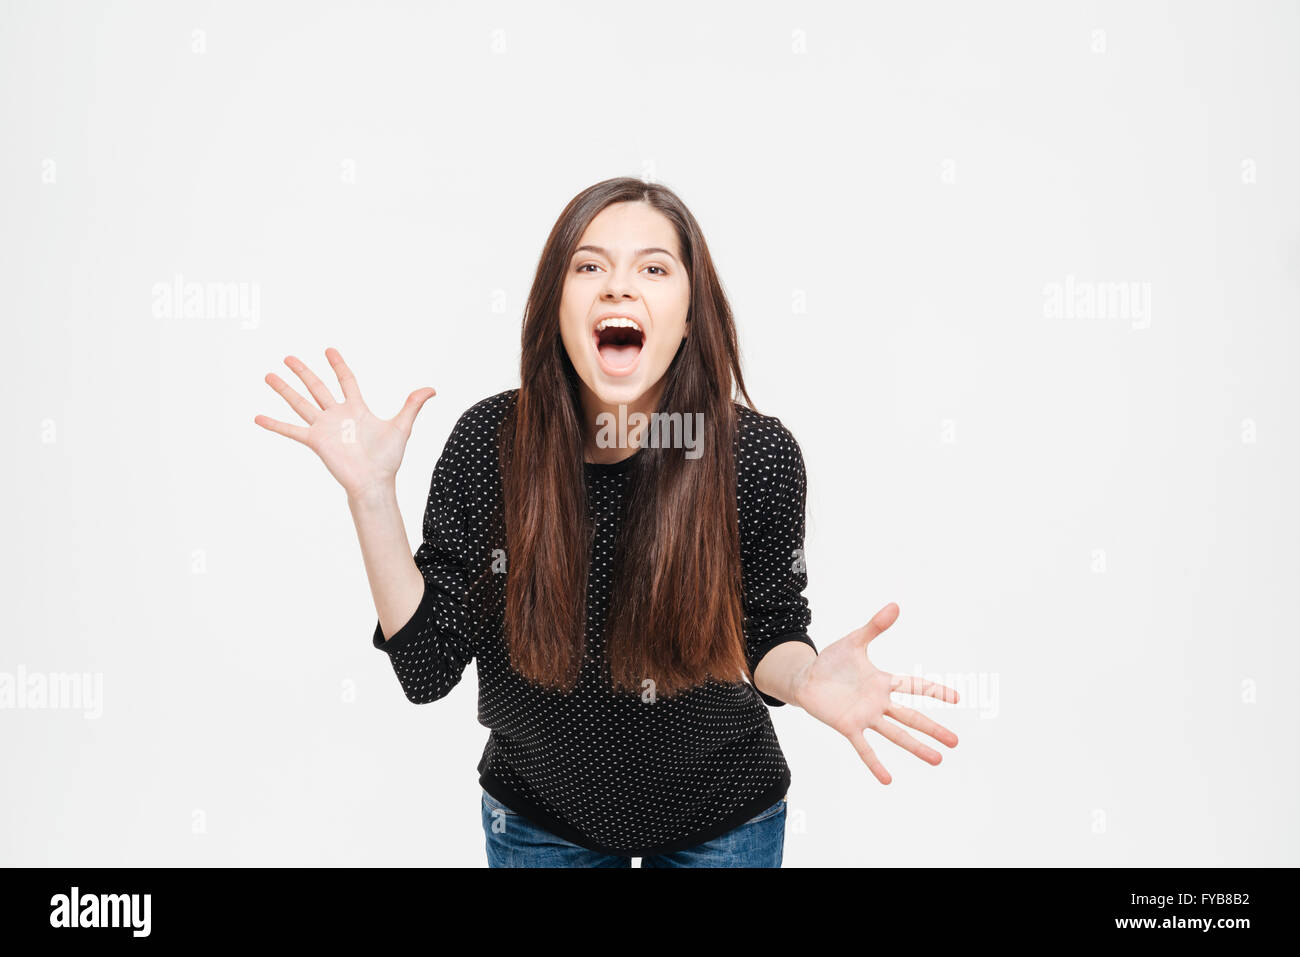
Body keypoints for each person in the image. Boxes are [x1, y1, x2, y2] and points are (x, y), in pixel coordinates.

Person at [254, 177, 960, 867]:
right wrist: (372, 496)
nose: (618, 286)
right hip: (538, 821)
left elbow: (768, 632)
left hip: (723, 819)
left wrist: (805, 680)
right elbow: (426, 668)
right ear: (555, 306)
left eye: (653, 268)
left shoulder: (755, 455)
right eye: (589, 266)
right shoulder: (487, 443)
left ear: (689, 315)